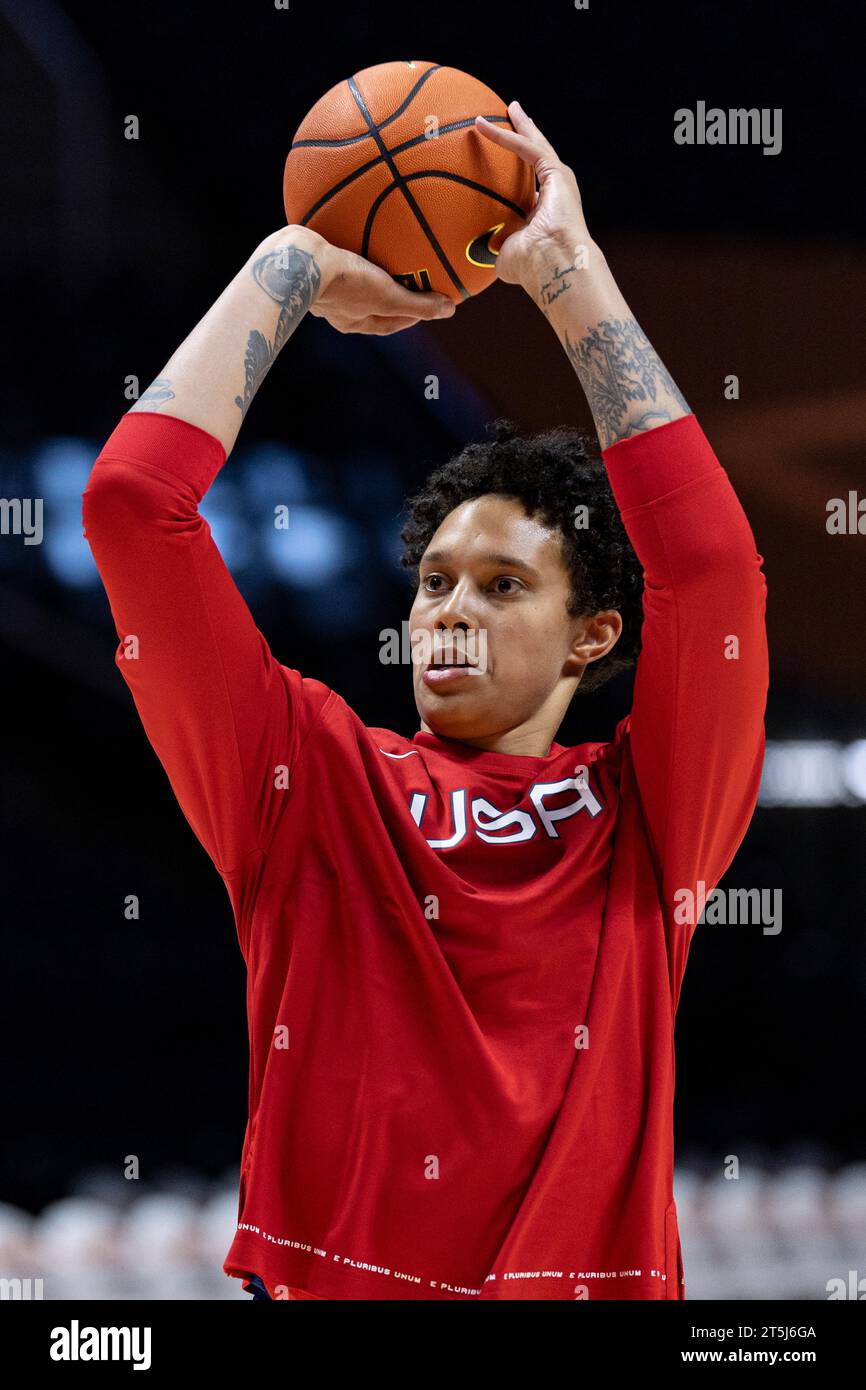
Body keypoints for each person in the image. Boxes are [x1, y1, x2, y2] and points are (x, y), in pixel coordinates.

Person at [82, 102, 768, 1301]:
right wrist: (284, 267)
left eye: (504, 585)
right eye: (434, 580)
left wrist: (568, 275)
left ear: (591, 637)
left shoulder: (648, 812)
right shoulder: (303, 772)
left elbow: (708, 569)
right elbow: (135, 506)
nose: (448, 608)